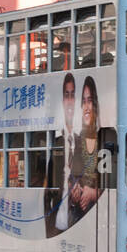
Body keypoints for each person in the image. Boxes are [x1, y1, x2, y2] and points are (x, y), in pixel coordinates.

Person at [44, 72, 77, 237]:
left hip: (76, 224)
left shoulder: (85, 143)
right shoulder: (56, 142)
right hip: (56, 224)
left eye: (73, 95)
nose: (69, 101)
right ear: (62, 101)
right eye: (66, 95)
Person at [67, 75, 103, 226]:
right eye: (84, 102)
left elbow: (116, 181)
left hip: (102, 216)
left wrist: (94, 193)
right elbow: (70, 178)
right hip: (79, 218)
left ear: (96, 105)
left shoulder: (105, 138)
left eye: (91, 101)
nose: (87, 107)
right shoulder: (77, 141)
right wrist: (73, 191)